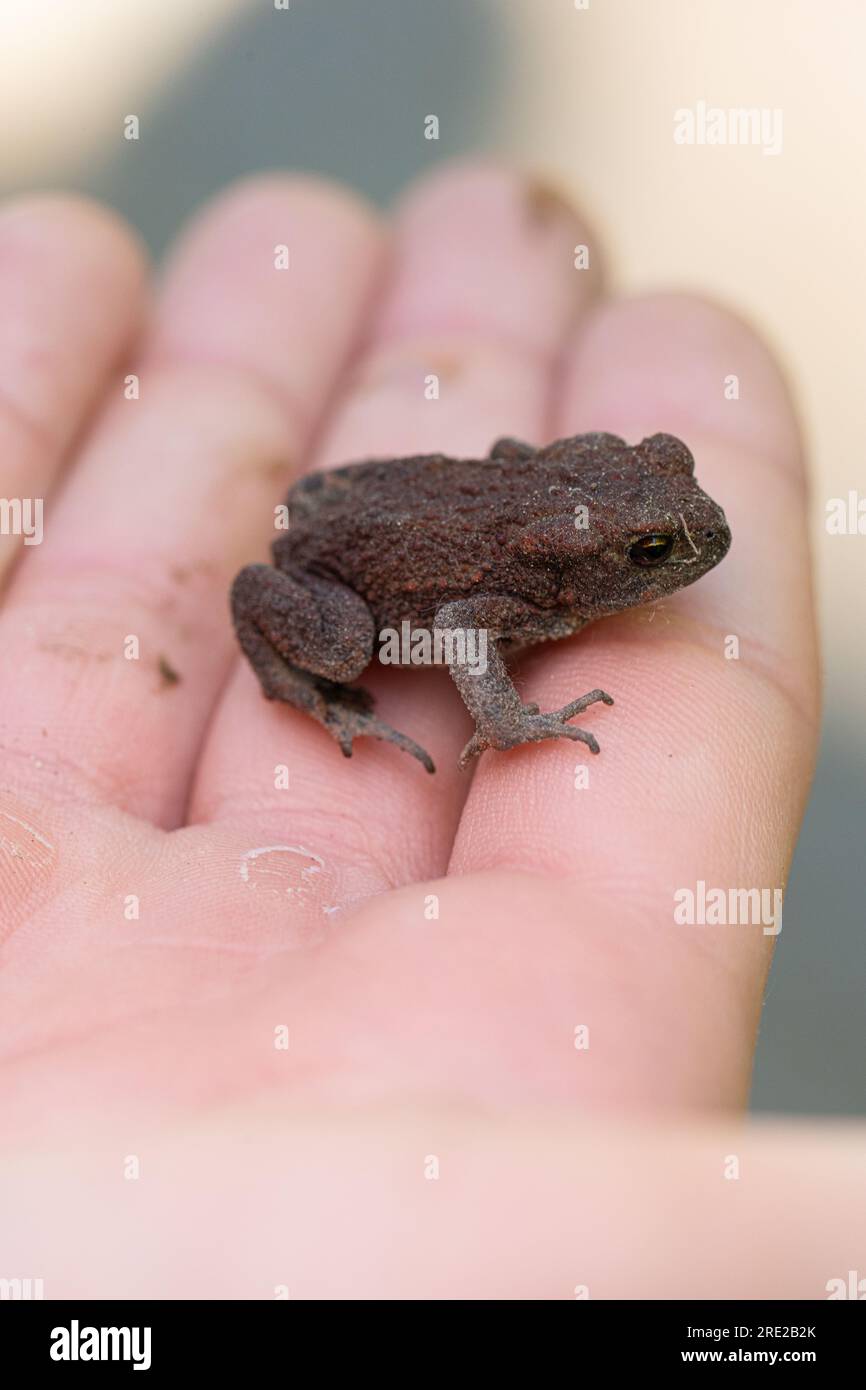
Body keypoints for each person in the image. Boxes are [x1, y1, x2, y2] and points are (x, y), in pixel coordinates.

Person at [0, 161, 858, 1299]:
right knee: (346, 643)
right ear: (593, 563)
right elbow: (459, 622)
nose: (685, 548)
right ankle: (296, 680)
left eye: (664, 515)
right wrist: (507, 718)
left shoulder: (556, 546)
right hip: (351, 573)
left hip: (398, 496)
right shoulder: (527, 588)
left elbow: (512, 462)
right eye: (651, 551)